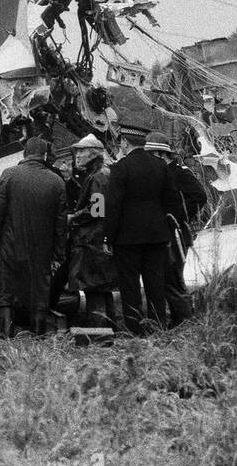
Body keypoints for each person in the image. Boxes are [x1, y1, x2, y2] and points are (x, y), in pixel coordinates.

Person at [0, 136, 67, 335]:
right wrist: (58, 255)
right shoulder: (57, 181)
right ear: (45, 155)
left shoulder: (9, 175)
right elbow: (60, 224)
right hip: (42, 249)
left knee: (5, 293)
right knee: (39, 293)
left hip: (10, 246)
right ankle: (38, 336)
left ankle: (6, 336)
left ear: (24, 154)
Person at [104, 129, 180, 335]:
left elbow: (113, 205)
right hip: (156, 235)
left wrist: (107, 237)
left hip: (126, 238)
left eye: (121, 142)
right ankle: (158, 328)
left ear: (126, 143)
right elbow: (171, 200)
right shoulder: (161, 166)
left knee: (130, 287)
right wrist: (165, 228)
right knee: (156, 284)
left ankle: (134, 331)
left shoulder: (120, 168)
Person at [145, 132, 207, 325]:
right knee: (166, 276)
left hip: (177, 233)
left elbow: (199, 196)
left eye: (150, 154)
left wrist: (176, 217)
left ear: (160, 154)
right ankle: (178, 318)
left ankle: (184, 320)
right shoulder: (163, 172)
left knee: (173, 276)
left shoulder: (178, 172)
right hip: (166, 232)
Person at [65, 133, 118, 324]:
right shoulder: (101, 173)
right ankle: (109, 330)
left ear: (94, 154)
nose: (77, 156)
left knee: (94, 288)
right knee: (102, 289)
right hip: (98, 240)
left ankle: (98, 335)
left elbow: (97, 209)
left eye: (82, 152)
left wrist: (73, 218)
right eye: (76, 152)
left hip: (93, 241)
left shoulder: (98, 176)